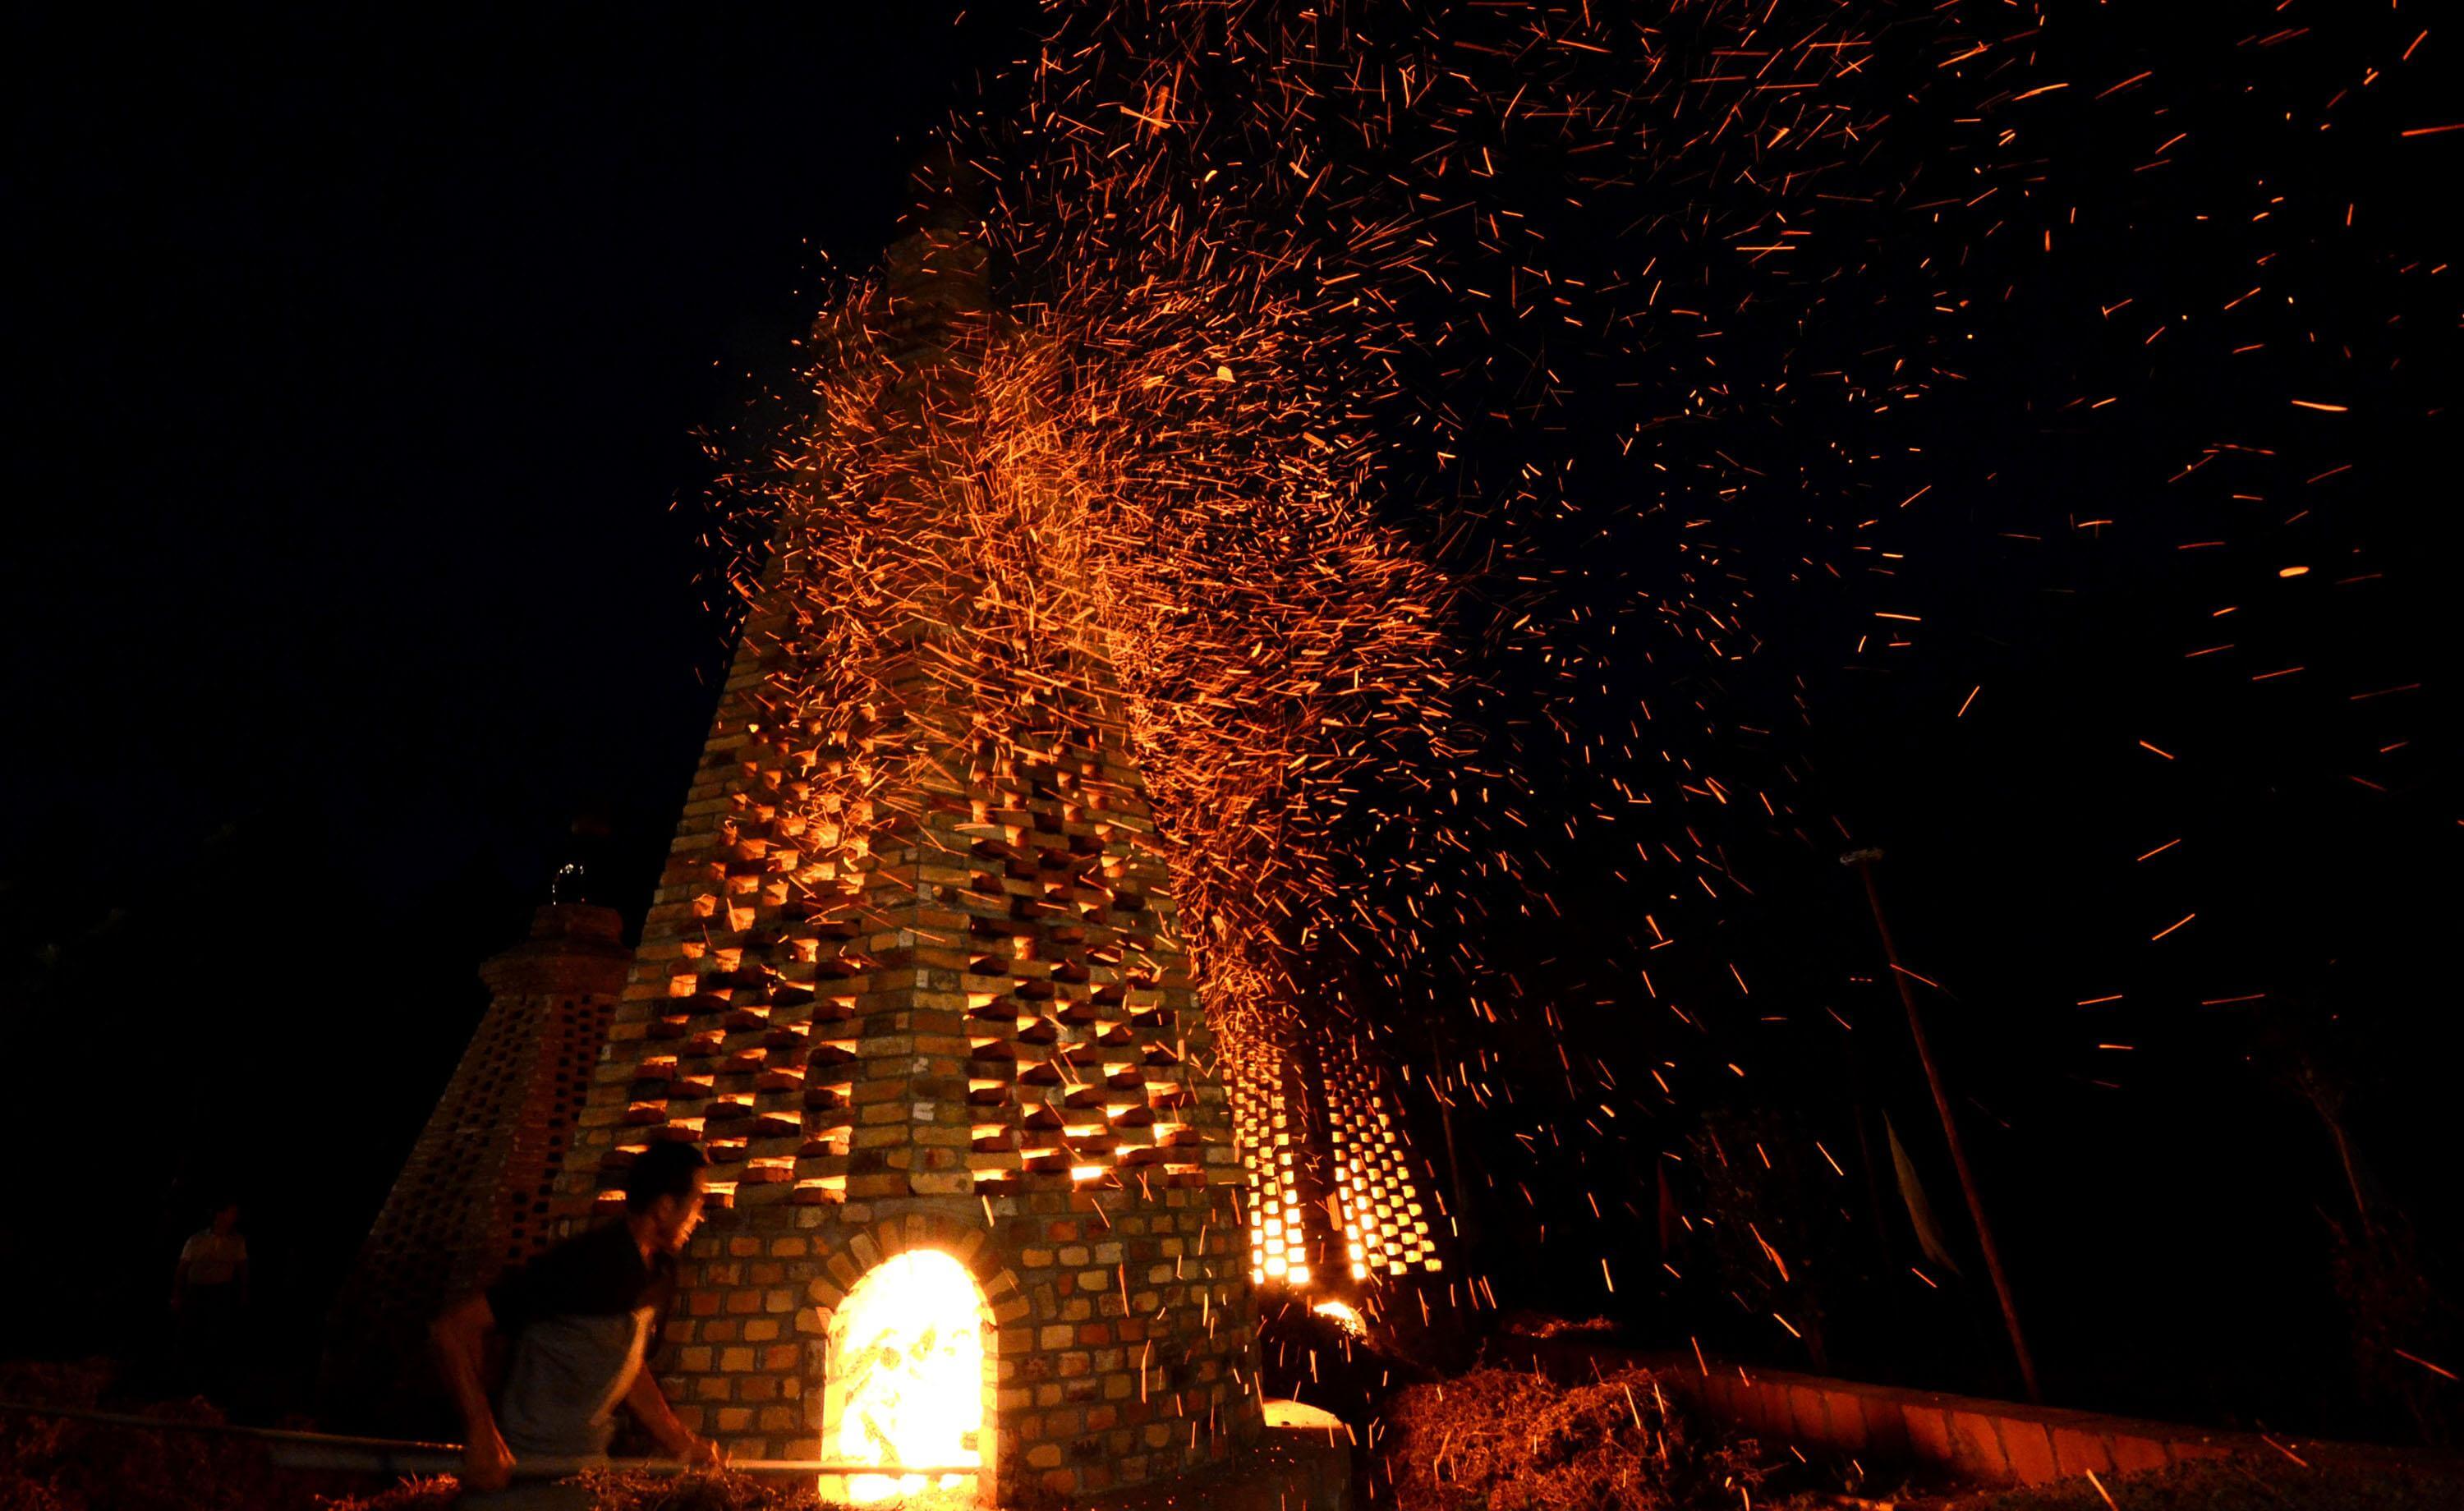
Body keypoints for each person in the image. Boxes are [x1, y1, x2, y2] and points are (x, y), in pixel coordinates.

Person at [431, 1142, 723, 1499]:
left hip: (583, 1471)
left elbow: (624, 1365)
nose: (700, 1217)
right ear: (664, 1207)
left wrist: (682, 1443)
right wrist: (481, 1434)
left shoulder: (656, 1273)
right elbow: (452, 1329)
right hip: (524, 1472)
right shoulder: (584, 1265)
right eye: (696, 1204)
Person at [170, 1200, 249, 1398]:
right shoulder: (196, 1240)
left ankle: (211, 1384)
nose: (235, 1217)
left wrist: (243, 1293)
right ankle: (186, 1382)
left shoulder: (236, 1241)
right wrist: (178, 1295)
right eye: (231, 1213)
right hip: (197, 1292)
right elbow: (182, 1269)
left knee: (216, 1337)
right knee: (192, 1334)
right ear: (220, 1215)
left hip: (221, 1293)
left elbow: (242, 1269)